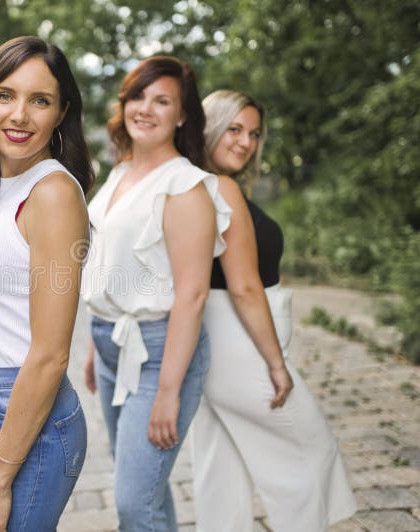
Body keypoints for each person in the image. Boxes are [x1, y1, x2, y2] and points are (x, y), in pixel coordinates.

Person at [189, 89, 357, 532]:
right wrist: (276, 363)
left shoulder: (195, 184)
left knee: (218, 467)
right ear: (209, 126)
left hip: (216, 346)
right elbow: (244, 287)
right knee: (310, 451)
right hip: (239, 344)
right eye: (234, 128)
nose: (246, 142)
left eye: (254, 133)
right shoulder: (219, 187)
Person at [0, 36, 93, 531]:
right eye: (5, 95)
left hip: (29, 415)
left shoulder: (52, 193)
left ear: (60, 113)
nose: (20, 115)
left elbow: (51, 353)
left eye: (40, 100)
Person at [81, 56, 231, 531]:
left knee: (132, 503)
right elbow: (112, 265)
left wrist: (169, 391)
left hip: (160, 354)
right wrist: (93, 344)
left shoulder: (185, 186)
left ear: (182, 115)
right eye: (137, 96)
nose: (145, 108)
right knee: (146, 485)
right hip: (111, 344)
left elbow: (191, 295)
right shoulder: (120, 173)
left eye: (162, 100)